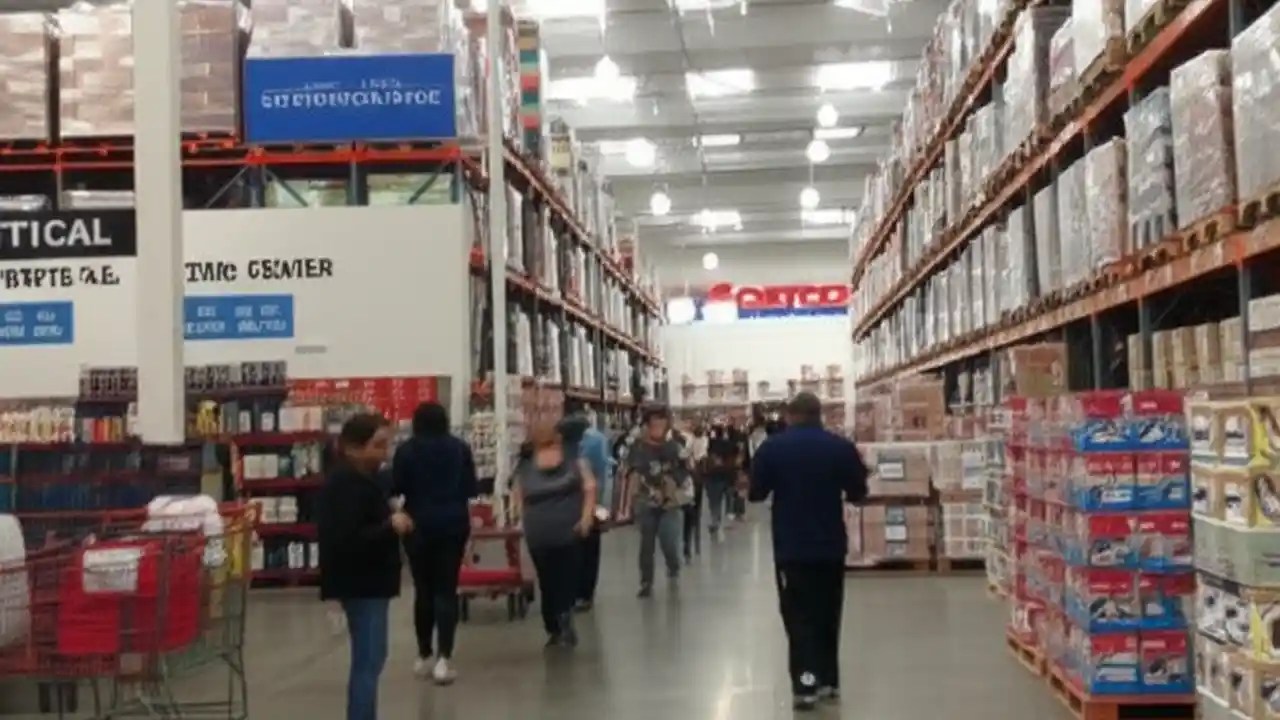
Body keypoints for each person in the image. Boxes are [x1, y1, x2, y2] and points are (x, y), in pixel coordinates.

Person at [748, 392, 869, 712]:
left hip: (791, 548)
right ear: (821, 415)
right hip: (830, 546)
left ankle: (805, 685)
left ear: (789, 416)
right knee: (828, 613)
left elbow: (756, 494)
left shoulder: (771, 449)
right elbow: (858, 493)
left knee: (798, 617)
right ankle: (829, 681)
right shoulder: (841, 448)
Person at [318, 413, 413, 720]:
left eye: (387, 444)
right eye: (378, 445)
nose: (384, 453)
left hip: (369, 580)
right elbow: (346, 537)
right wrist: (390, 525)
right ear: (352, 447)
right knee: (368, 660)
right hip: (361, 581)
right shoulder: (346, 484)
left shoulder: (365, 480)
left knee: (373, 657)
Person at [390, 402, 478, 685]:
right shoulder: (460, 449)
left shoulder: (406, 451)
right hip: (453, 524)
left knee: (423, 589)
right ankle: (444, 658)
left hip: (418, 526)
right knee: (446, 590)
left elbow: (395, 490)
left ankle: (423, 653)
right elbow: (470, 490)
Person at [513, 421, 597, 647]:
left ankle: (561, 620)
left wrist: (587, 516)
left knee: (560, 577)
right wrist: (520, 518)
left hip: (562, 529)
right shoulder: (526, 463)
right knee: (552, 578)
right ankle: (556, 622)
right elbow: (519, 494)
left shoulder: (573, 458)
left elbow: (589, 487)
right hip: (544, 529)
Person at [625, 405, 690, 598]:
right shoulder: (637, 449)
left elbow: (685, 471)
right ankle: (646, 581)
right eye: (654, 422)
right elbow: (633, 474)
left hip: (670, 502)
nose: (658, 426)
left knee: (669, 539)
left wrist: (671, 485)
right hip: (646, 501)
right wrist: (631, 501)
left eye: (662, 421)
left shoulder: (675, 446)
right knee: (646, 544)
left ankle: (673, 565)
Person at [556, 404, 613, 612]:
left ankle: (584, 593)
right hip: (576, 500)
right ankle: (579, 593)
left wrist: (600, 508)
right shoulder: (595, 440)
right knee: (582, 549)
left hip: (586, 499)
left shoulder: (593, 441)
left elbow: (600, 474)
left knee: (587, 548)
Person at [703, 420, 739, 534]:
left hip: (713, 477)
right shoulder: (730, 444)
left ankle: (715, 521)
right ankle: (729, 520)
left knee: (715, 502)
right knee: (729, 499)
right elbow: (737, 458)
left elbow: (706, 458)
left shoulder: (710, 444)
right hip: (728, 476)